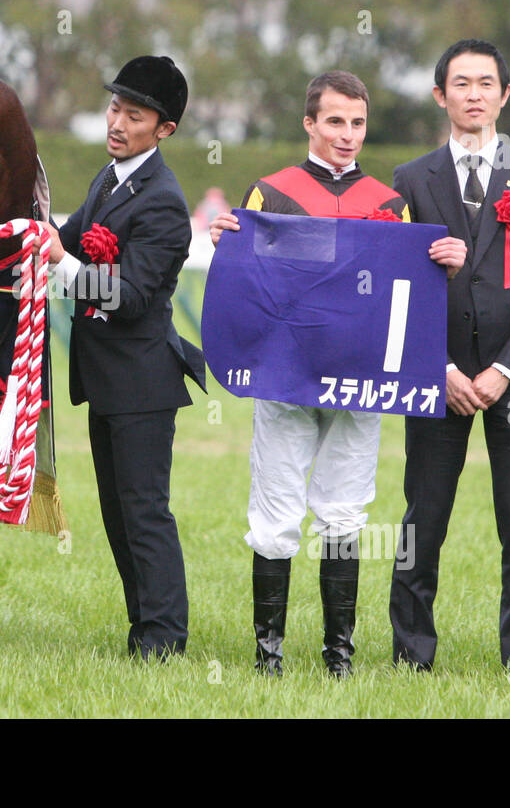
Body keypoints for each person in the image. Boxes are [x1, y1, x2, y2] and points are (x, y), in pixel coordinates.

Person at [209, 71, 465, 677]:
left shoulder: (389, 203)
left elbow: (409, 291)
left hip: (359, 382)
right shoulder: (269, 193)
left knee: (345, 512)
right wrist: (224, 242)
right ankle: (267, 655)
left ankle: (338, 656)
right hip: (285, 379)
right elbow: (245, 284)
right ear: (309, 123)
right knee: (274, 514)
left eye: (357, 123)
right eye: (334, 122)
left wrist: (447, 265)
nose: (347, 135)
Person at [388, 38, 510, 674]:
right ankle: (412, 654)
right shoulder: (410, 180)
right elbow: (396, 289)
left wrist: (501, 371)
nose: (473, 94)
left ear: (504, 95)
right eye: (460, 84)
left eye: (485, 83)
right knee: (423, 518)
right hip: (436, 379)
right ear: (441, 95)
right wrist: (440, 369)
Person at [47, 55, 206, 660]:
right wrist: (27, 234)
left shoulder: (163, 202)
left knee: (143, 514)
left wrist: (62, 267)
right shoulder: (107, 177)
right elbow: (66, 238)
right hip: (106, 380)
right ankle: (143, 627)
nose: (116, 122)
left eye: (133, 115)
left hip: (142, 382)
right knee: (117, 514)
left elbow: (133, 295)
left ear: (163, 129)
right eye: (115, 108)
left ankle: (164, 640)